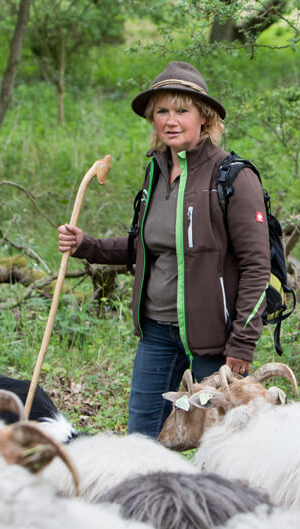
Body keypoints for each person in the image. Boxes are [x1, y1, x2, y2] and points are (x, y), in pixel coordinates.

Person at [58, 61, 270, 439]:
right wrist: (85, 245)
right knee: (142, 439)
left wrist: (242, 342)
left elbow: (257, 266)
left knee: (219, 444)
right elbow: (143, 248)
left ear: (204, 118)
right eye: (162, 111)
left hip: (215, 341)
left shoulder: (234, 177)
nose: (171, 120)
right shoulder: (154, 174)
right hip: (156, 333)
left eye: (182, 110)